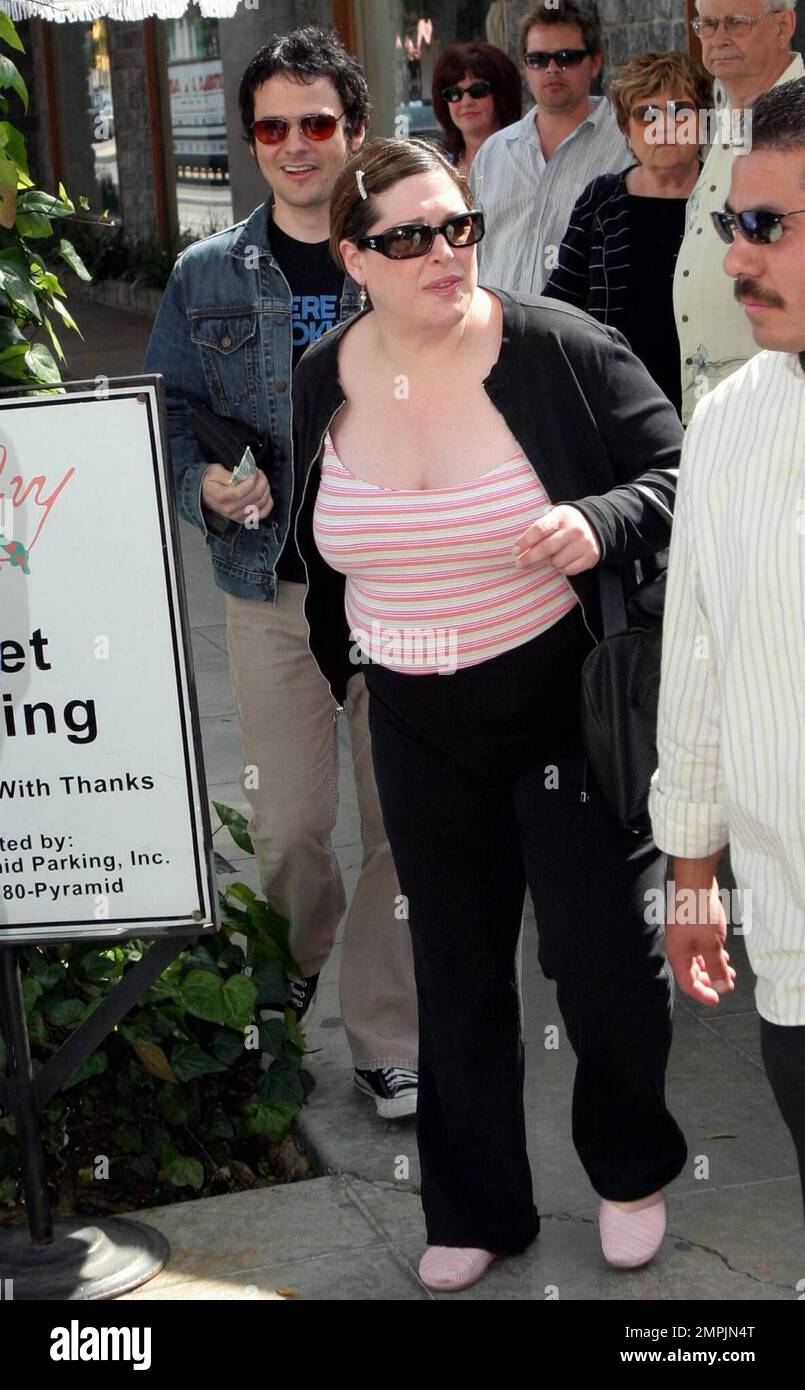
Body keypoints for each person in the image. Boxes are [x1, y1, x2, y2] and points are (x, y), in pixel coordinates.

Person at [290, 136, 689, 1292]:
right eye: (409, 236)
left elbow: (676, 470)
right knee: (454, 970)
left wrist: (601, 521)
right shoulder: (325, 371)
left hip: (559, 708)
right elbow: (322, 540)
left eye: (457, 224)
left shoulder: (557, 348)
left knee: (599, 958)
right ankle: (475, 1206)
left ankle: (629, 1169)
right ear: (354, 256)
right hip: (413, 719)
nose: (444, 252)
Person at [144, 28, 419, 1120]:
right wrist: (201, 489)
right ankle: (293, 965)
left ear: (355, 131)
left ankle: (384, 1030)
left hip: (399, 591)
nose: (295, 146)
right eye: (271, 126)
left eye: (317, 124)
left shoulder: (407, 248)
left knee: (402, 822)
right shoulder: (205, 274)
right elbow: (164, 414)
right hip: (271, 593)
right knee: (299, 826)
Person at [650, 76, 805, 1218]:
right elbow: (695, 654)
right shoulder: (728, 418)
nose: (736, 261)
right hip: (792, 936)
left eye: (769, 228)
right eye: (729, 226)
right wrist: (689, 865)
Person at [544, 51, 712, 415]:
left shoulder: (727, 195)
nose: (665, 126)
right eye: (647, 114)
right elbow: (560, 308)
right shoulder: (601, 199)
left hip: (713, 402)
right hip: (619, 408)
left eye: (680, 112)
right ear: (625, 128)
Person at [674, 0, 803, 423]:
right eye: (707, 24)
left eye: (737, 22)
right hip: (714, 406)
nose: (719, 37)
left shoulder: (796, 121)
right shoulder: (729, 111)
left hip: (782, 408)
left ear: (784, 25)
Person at [470, 0, 631, 295]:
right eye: (538, 60)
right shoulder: (493, 153)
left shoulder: (627, 146)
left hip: (584, 334)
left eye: (567, 57)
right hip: (498, 332)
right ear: (525, 67)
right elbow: (474, 254)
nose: (552, 69)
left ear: (595, 63)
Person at [431, 41, 522, 179]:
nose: (466, 102)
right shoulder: (437, 171)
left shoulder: (526, 162)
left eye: (478, 90)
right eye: (454, 93)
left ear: (502, 95)